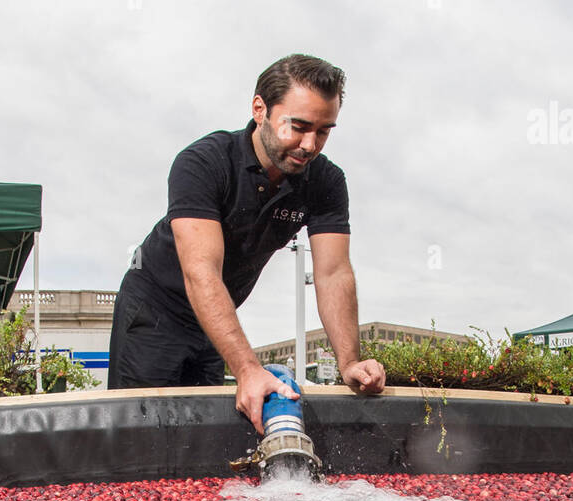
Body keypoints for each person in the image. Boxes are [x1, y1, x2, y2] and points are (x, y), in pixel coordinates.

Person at [108, 53, 386, 431]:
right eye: (298, 126)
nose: (309, 144)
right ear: (260, 109)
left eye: (323, 131)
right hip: (155, 311)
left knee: (200, 432)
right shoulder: (203, 163)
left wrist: (349, 362)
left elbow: (333, 272)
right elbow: (201, 271)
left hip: (214, 320)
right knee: (143, 431)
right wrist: (247, 368)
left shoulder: (326, 181)